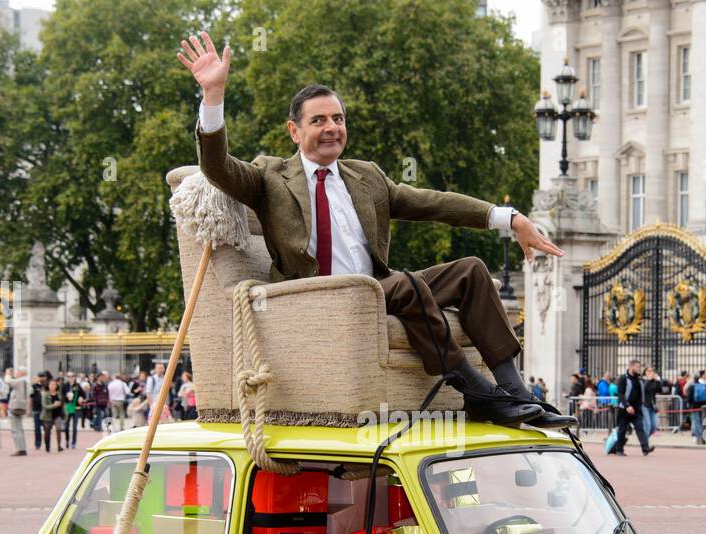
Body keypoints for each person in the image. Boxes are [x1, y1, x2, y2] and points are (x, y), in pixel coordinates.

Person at [179, 32, 573, 428]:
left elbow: (431, 202)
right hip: (319, 296)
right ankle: (473, 389)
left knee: (470, 270)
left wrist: (509, 217)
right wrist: (213, 98)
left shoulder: (365, 176)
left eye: (338, 118)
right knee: (403, 284)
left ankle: (515, 391)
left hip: (377, 288)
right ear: (294, 131)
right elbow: (218, 168)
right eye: (318, 120)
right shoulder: (269, 176)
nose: (332, 127)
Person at [609, 359, 653, 457]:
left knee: (639, 428)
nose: (639, 369)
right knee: (622, 429)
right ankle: (619, 449)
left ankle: (645, 448)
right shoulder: (623, 378)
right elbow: (620, 394)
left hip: (636, 410)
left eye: (639, 367)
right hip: (624, 409)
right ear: (631, 367)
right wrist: (627, 405)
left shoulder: (638, 379)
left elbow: (640, 393)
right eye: (637, 367)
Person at [6, 368, 30, 456]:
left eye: (18, 371)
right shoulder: (26, 381)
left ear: (21, 373)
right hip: (22, 406)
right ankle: (22, 448)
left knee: (16, 429)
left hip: (16, 406)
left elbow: (8, 381)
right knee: (19, 428)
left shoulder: (19, 381)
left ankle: (20, 449)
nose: (16, 373)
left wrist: (8, 374)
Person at [41, 377, 65, 452]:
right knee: (47, 432)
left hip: (57, 415)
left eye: (54, 384)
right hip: (48, 416)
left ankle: (59, 446)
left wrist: (62, 408)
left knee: (58, 429)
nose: (53, 386)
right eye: (51, 384)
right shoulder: (45, 395)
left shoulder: (59, 394)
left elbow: (62, 403)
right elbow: (44, 406)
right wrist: (54, 405)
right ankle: (47, 447)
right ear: (48, 385)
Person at [685, 370, 706, 444]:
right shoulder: (703, 386)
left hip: (694, 406)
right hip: (703, 406)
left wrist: (688, 405)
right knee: (701, 421)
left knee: (696, 422)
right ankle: (703, 437)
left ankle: (699, 437)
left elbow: (688, 398)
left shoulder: (691, 387)